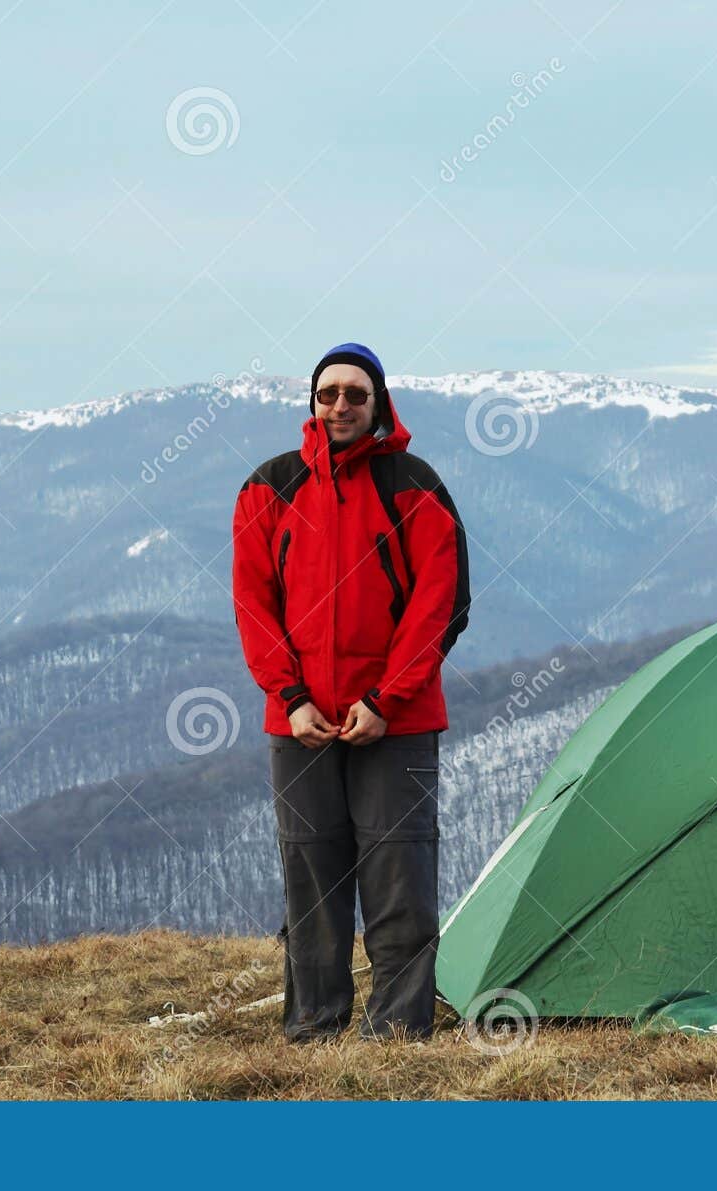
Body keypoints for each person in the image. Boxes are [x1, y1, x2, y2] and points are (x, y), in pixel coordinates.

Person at [231, 342, 470, 1040]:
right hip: (299, 719)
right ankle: (314, 1025)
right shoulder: (268, 488)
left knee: (400, 876)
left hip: (395, 722)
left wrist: (386, 699)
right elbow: (254, 604)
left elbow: (442, 605)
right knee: (312, 877)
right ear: (312, 400)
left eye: (355, 394)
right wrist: (291, 695)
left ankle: (397, 1032)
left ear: (379, 402)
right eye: (328, 393)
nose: (340, 405)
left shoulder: (414, 485)